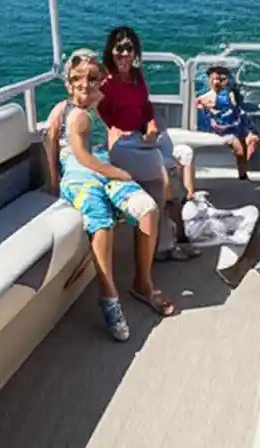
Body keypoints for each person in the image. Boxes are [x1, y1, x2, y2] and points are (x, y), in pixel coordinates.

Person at [44, 49, 176, 341]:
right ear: (69, 84)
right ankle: (109, 297)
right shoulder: (67, 113)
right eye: (80, 81)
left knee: (147, 209)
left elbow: (124, 100)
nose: (87, 86)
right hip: (80, 176)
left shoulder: (97, 107)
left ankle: (143, 282)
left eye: (93, 79)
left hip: (104, 168)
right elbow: (66, 149)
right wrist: (55, 180)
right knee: (100, 221)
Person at [97, 25, 201, 261]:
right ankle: (177, 239)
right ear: (110, 51)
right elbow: (98, 119)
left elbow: (146, 109)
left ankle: (167, 242)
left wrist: (152, 124)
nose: (124, 54)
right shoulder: (106, 84)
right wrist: (113, 133)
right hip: (123, 145)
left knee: (183, 154)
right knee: (166, 174)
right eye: (119, 49)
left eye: (129, 49)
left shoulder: (136, 77)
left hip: (143, 138)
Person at [194, 64, 260, 180]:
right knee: (239, 149)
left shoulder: (231, 94)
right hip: (222, 130)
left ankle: (243, 172)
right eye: (214, 79)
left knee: (252, 141)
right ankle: (243, 173)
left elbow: (239, 111)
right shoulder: (205, 98)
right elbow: (210, 107)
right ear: (209, 80)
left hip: (237, 126)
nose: (217, 82)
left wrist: (250, 132)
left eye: (222, 79)